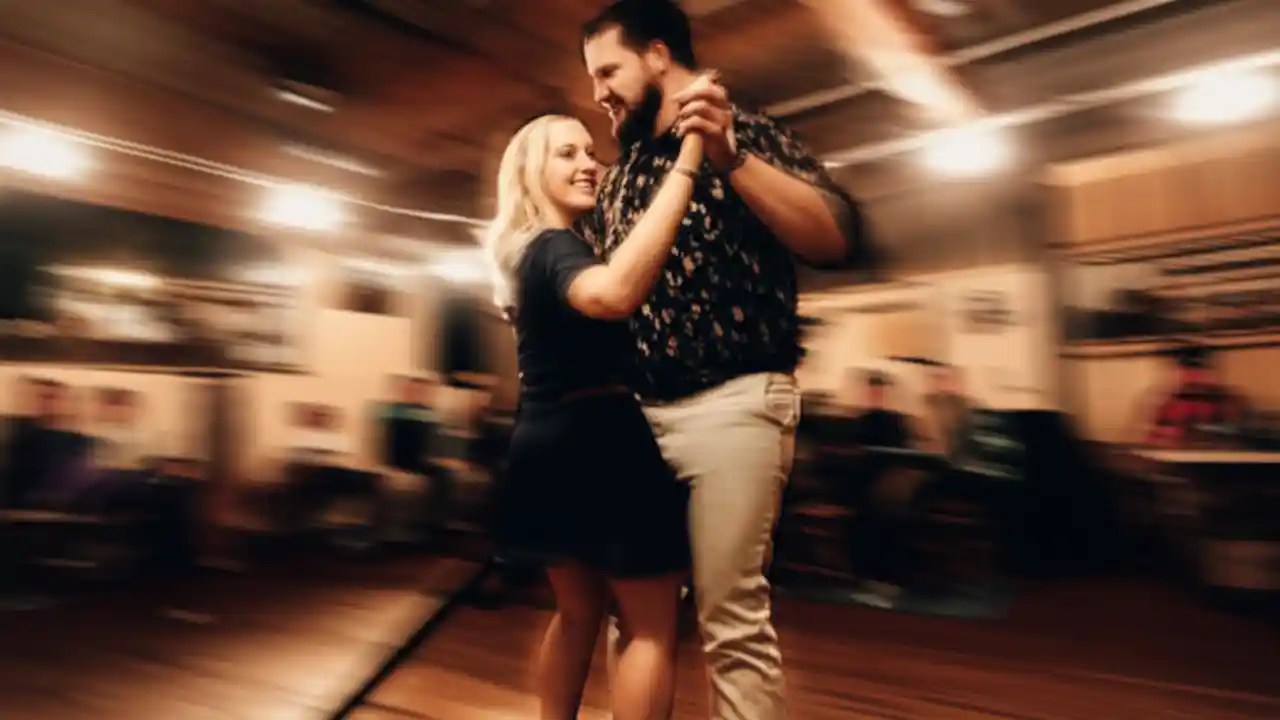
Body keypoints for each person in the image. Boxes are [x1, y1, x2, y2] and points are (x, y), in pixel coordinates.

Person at [579, 2, 873, 717]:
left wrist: (731, 157)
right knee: (636, 616)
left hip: (735, 404)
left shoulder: (748, 131)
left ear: (656, 55)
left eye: (607, 71)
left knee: (730, 623)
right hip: (640, 420)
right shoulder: (618, 178)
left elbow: (837, 238)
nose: (597, 93)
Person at [484, 113, 704, 720]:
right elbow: (610, 293)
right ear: (532, 172)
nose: (589, 162)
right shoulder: (557, 246)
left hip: (542, 437)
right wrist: (686, 168)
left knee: (578, 614)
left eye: (590, 150)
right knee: (652, 626)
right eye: (566, 153)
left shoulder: (529, 253)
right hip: (598, 441)